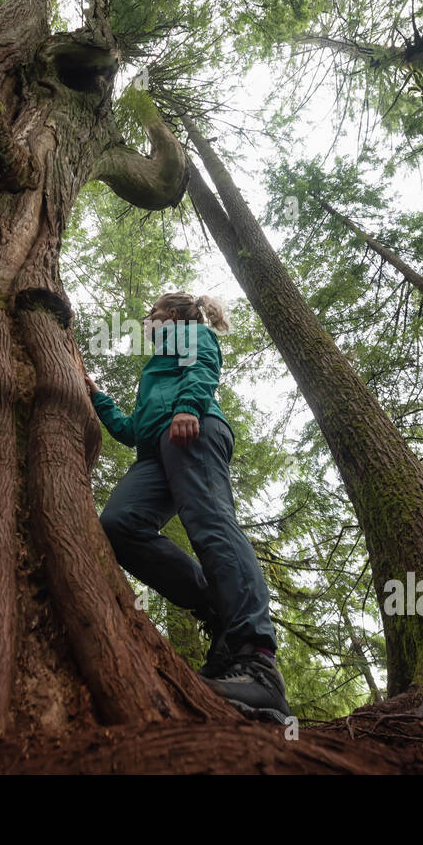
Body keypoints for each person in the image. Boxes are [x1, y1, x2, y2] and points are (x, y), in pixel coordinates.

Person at [84, 291, 292, 720]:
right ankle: (214, 609)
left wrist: (186, 409)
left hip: (194, 429)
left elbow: (202, 368)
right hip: (156, 450)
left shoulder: (192, 333)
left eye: (153, 311)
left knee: (212, 524)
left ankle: (258, 663)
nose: (147, 317)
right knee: (120, 525)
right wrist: (97, 395)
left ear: (174, 315)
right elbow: (131, 430)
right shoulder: (154, 368)